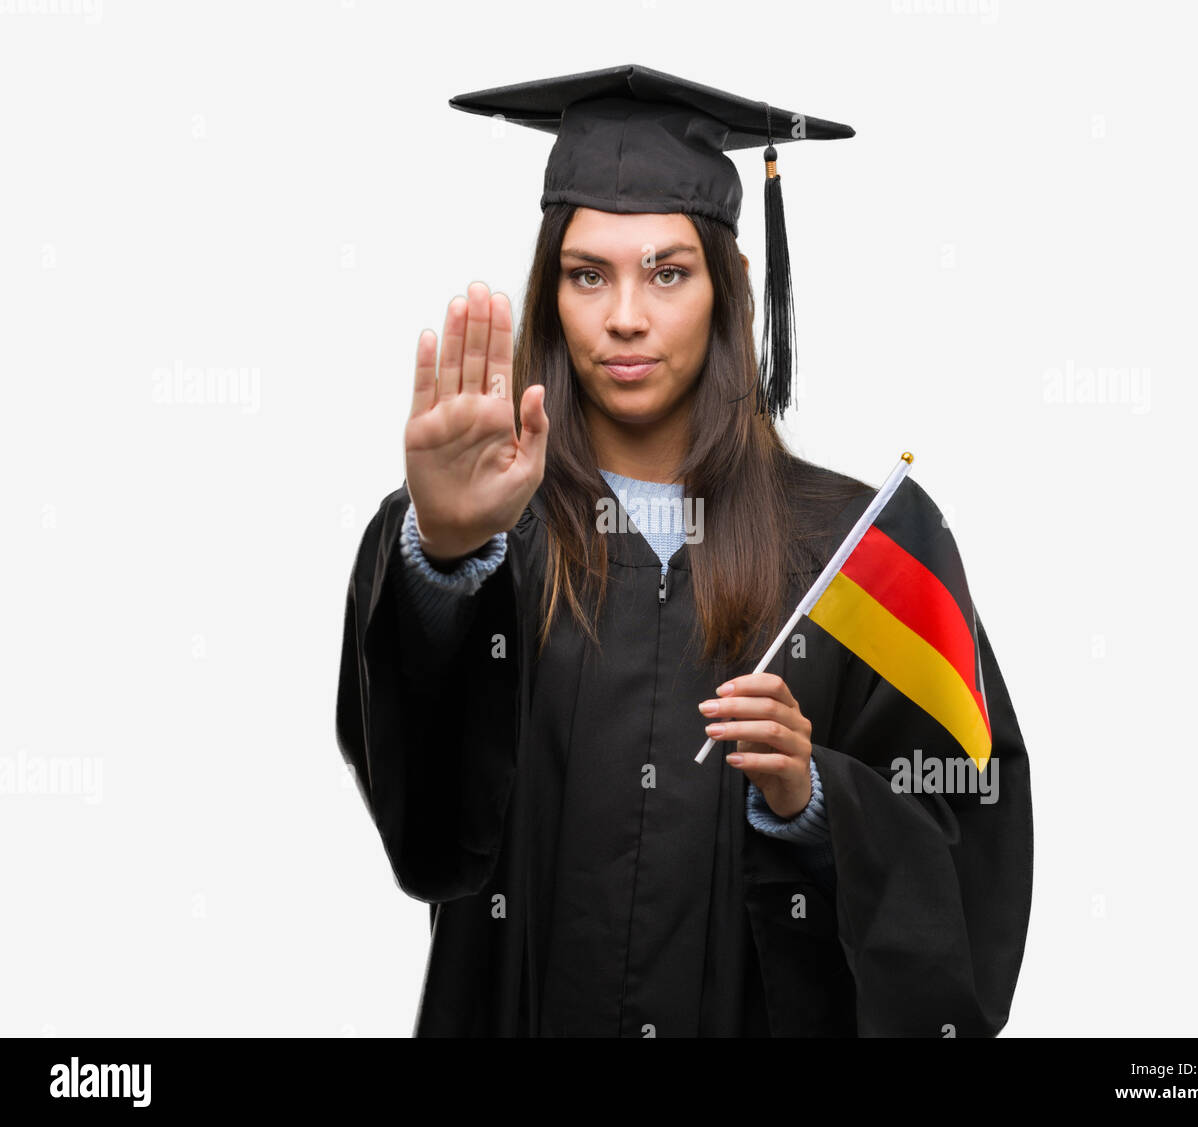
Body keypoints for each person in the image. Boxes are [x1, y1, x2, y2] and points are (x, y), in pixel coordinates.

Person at [335, 64, 1033, 1037]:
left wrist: (814, 797)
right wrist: (445, 559)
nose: (626, 315)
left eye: (668, 271)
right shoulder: (480, 533)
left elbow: (969, 818)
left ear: (729, 289)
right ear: (550, 292)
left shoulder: (854, 547)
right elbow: (433, 839)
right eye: (588, 274)